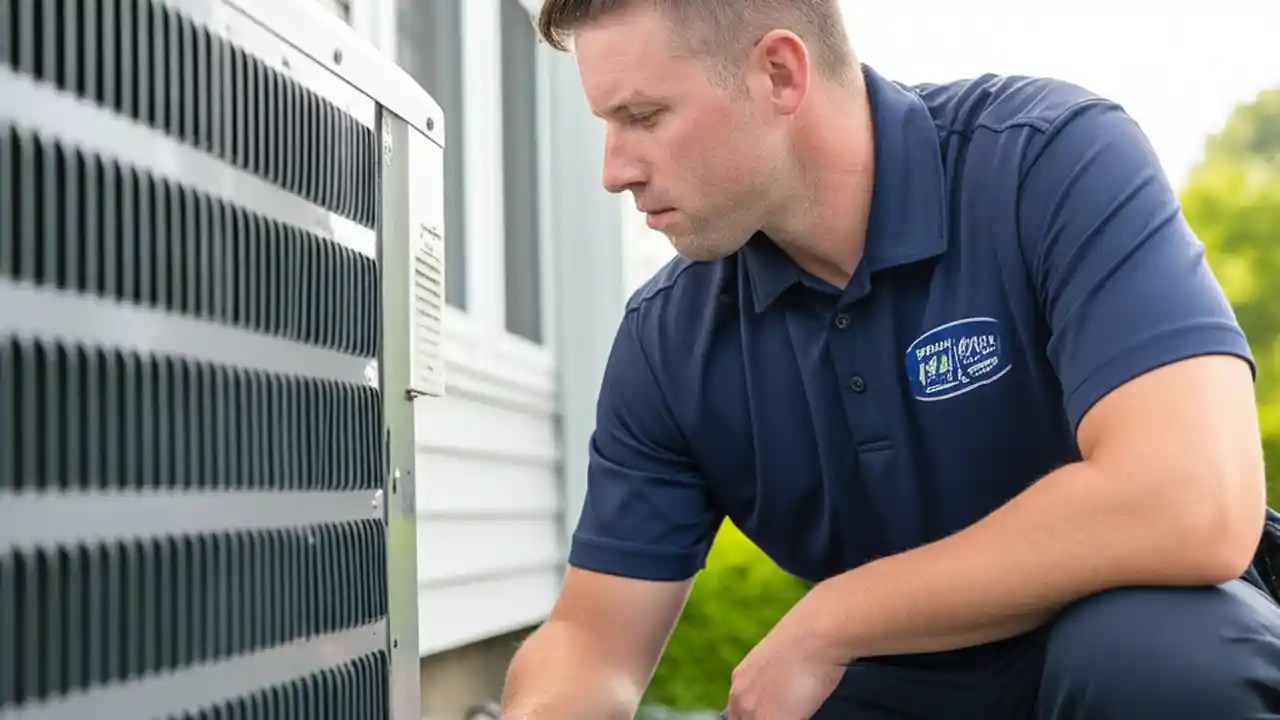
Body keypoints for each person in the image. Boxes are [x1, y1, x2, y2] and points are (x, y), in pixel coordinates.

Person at [500, 1, 1280, 718]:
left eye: (643, 116)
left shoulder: (1048, 162)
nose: (615, 170)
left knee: (1158, 661)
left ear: (779, 73)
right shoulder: (670, 342)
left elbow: (1193, 500)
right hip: (904, 680)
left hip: (1135, 646)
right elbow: (593, 644)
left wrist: (834, 618)